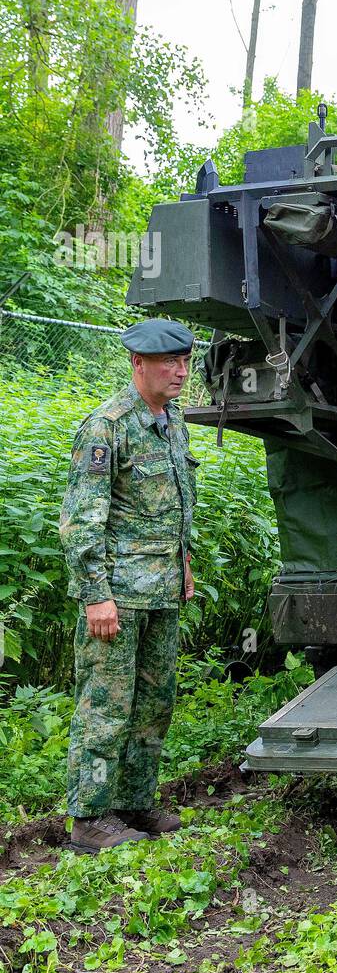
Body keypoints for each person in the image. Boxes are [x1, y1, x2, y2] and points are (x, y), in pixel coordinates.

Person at [59, 318, 199, 853]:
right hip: (117, 594)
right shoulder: (107, 427)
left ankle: (135, 802)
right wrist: (96, 593)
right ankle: (90, 818)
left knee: (153, 702)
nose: (181, 371)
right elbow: (81, 522)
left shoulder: (172, 422)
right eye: (169, 362)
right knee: (105, 703)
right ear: (138, 363)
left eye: (185, 362)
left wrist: (183, 561)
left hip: (162, 590)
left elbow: (175, 504)